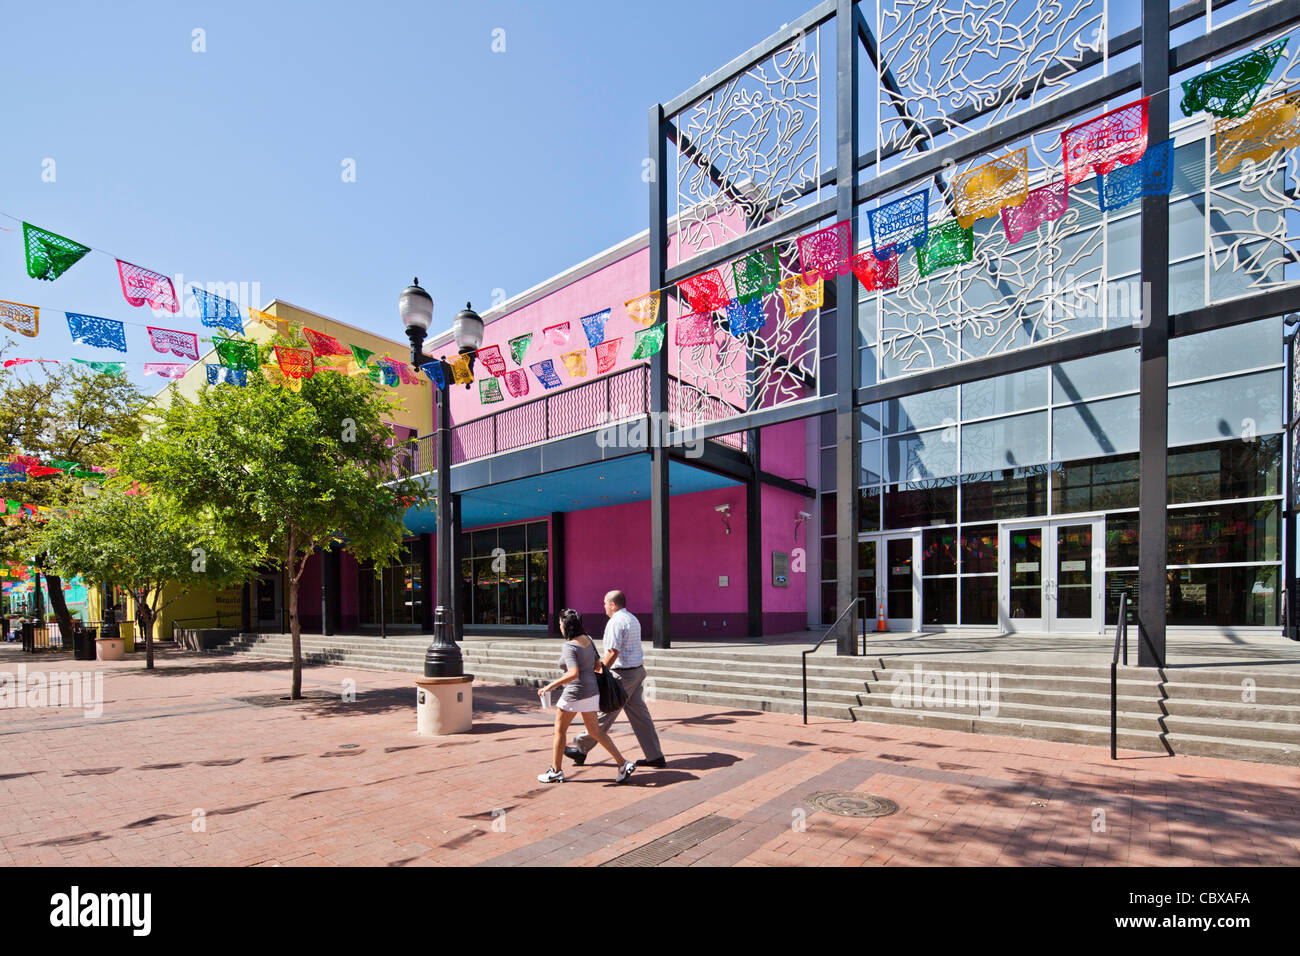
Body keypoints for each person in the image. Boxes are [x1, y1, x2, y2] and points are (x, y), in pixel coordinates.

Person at [535, 609, 636, 784]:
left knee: (559, 731)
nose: (559, 626)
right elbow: (598, 664)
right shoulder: (588, 640)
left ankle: (556, 771)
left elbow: (573, 673)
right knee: (595, 731)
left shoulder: (569, 646)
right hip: (591, 691)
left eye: (560, 623)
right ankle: (623, 763)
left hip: (574, 692)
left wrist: (550, 686)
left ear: (566, 625)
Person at [567, 590, 666, 769]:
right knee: (640, 716)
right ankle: (655, 756)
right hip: (637, 671)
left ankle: (581, 748)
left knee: (606, 710)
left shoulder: (615, 622)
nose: (603, 607)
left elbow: (613, 652)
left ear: (612, 605)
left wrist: (600, 672)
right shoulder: (632, 619)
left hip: (623, 675)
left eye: (605, 603)